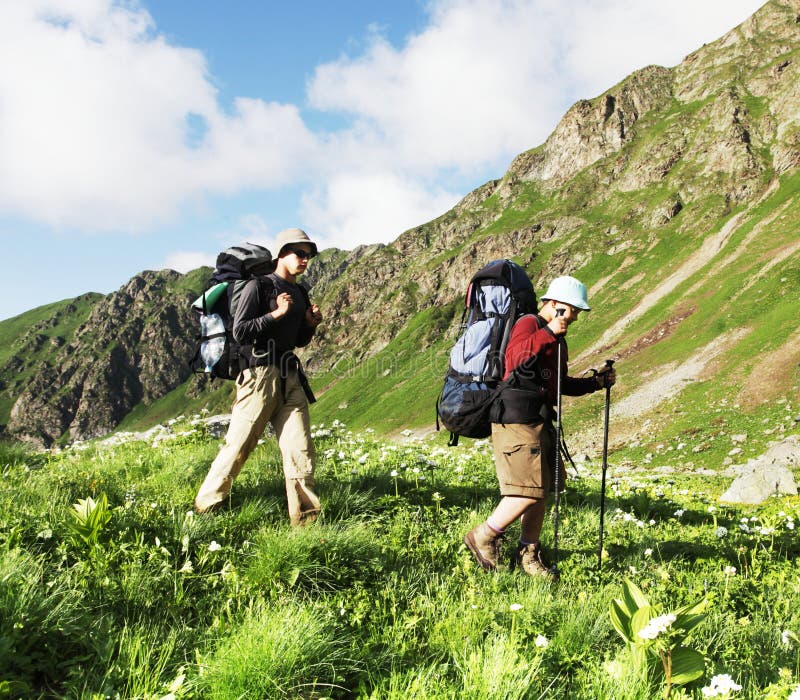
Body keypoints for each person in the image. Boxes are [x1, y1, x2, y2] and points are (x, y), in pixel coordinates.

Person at [463, 275, 616, 579]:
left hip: (539, 419)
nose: (574, 317)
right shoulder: (528, 324)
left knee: (542, 491)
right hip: (516, 418)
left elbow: (558, 384)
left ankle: (528, 553)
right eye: (572, 310)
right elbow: (515, 361)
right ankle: (483, 535)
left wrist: (595, 383)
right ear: (557, 304)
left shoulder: (555, 337)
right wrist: (548, 331)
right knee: (527, 491)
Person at [194, 228, 324, 526]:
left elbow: (298, 340)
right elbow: (240, 331)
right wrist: (275, 315)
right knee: (240, 444)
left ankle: (306, 523)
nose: (305, 260)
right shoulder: (259, 286)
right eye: (299, 253)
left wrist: (310, 324)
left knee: (300, 449)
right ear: (282, 253)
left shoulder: (301, 293)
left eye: (309, 255)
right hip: (258, 375)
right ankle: (207, 505)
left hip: (290, 375)